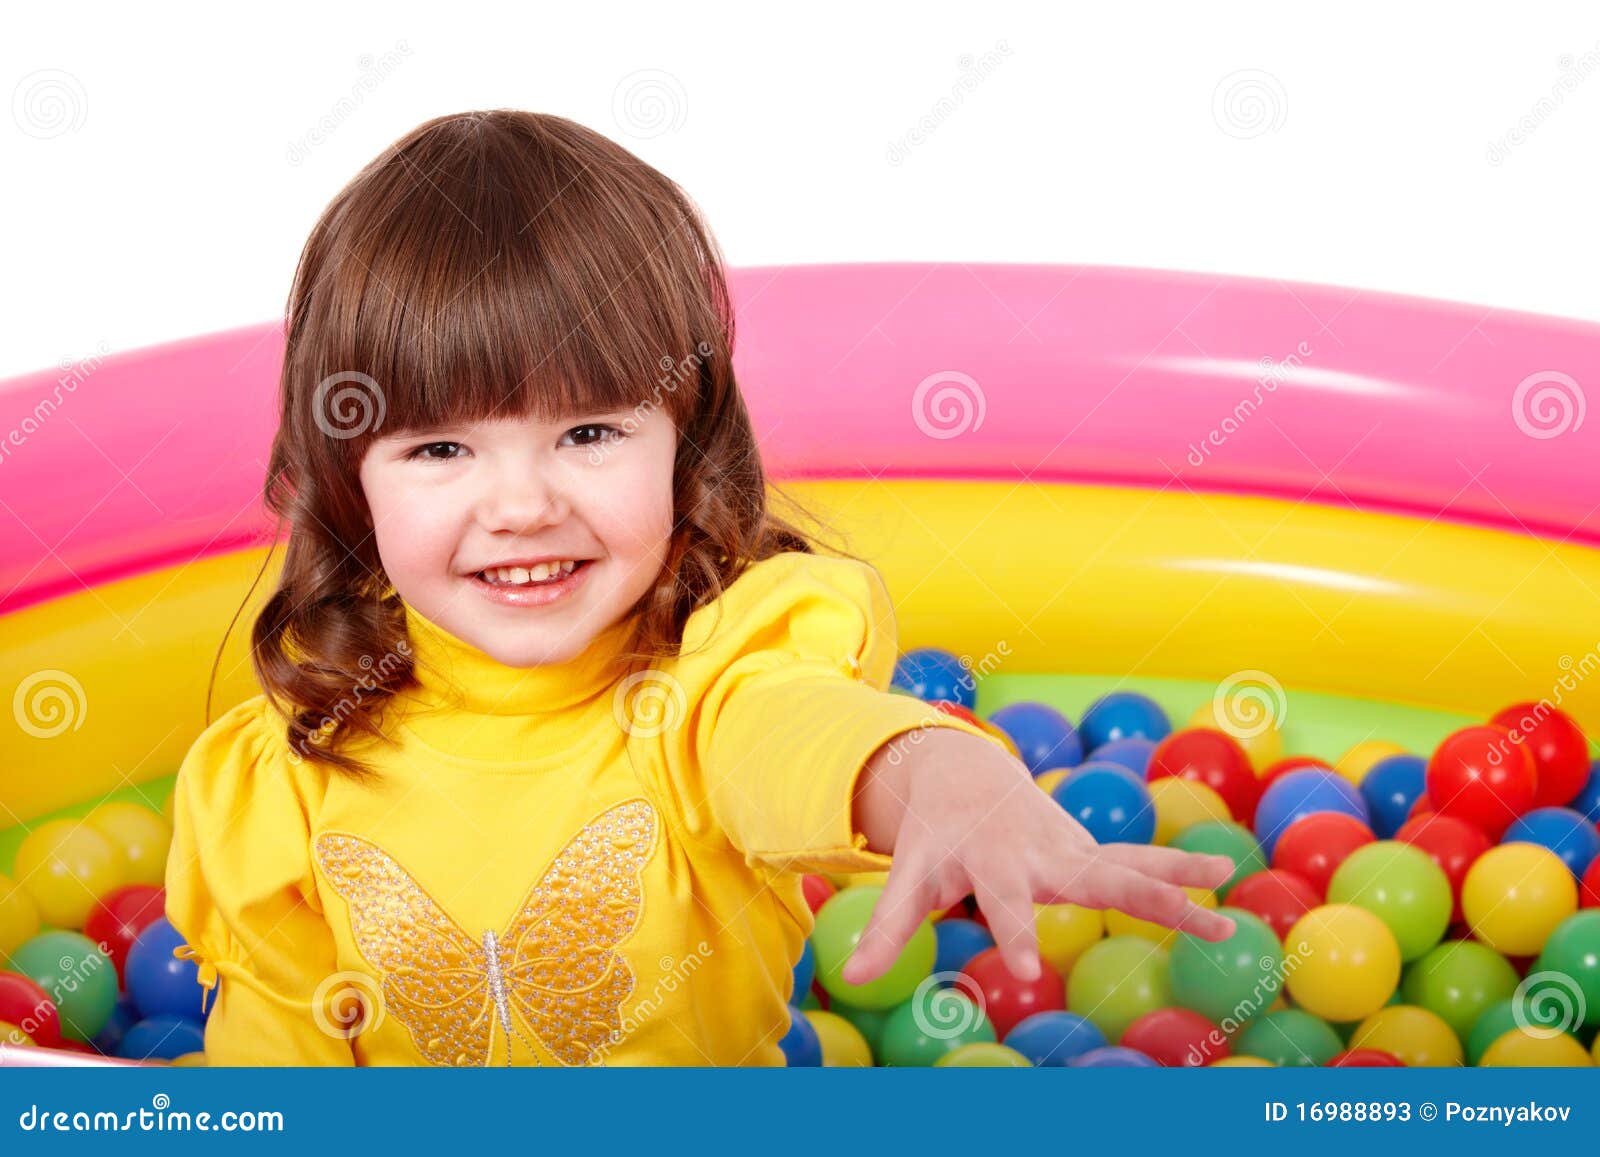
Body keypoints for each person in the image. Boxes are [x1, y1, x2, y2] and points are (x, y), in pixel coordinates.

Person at [164, 109, 1235, 1067]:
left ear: (686, 442)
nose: (524, 504)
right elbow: (279, 1076)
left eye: (589, 432)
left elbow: (787, 734)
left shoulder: (707, 673)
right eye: (441, 450)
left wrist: (935, 771)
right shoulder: (293, 767)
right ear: (350, 481)